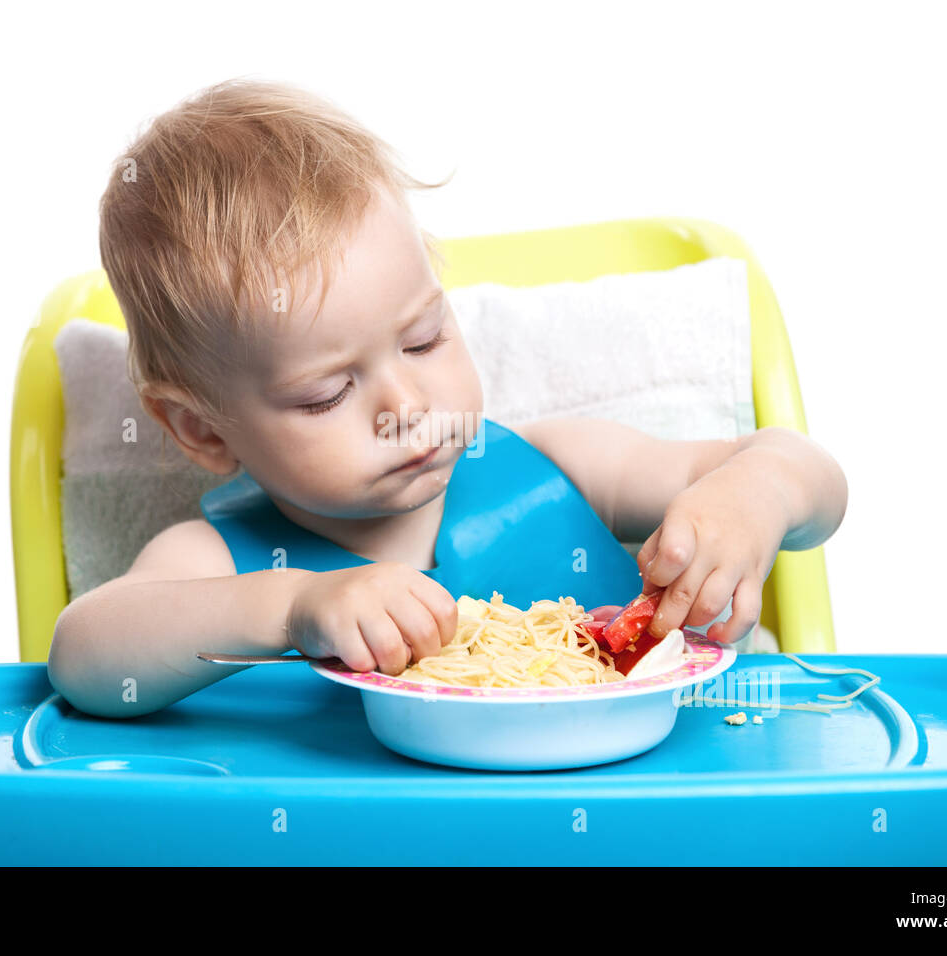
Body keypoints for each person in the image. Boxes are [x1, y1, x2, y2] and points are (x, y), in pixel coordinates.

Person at [47, 78, 847, 718]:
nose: (407, 406)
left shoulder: (561, 467)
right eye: (326, 394)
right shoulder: (219, 565)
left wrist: (757, 496)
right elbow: (83, 657)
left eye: (425, 339)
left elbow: (808, 475)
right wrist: (294, 606)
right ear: (202, 429)